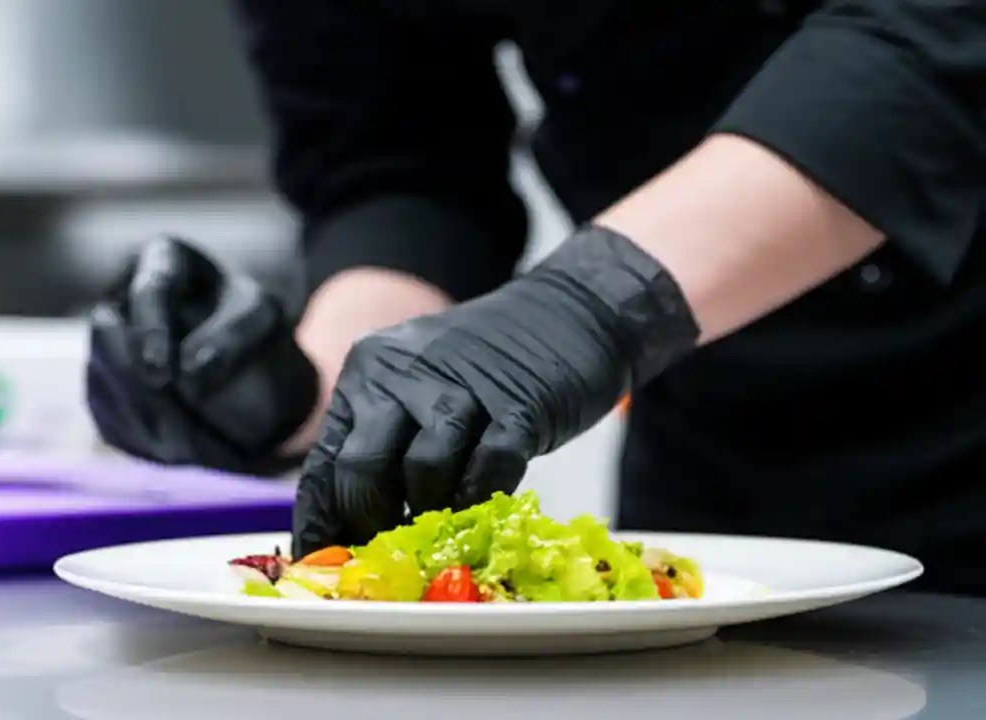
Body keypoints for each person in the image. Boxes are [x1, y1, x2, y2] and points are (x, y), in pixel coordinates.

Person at [87, 1, 985, 594]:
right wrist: (315, 390)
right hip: (732, 492)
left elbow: (938, 40)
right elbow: (397, 151)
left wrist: (598, 303)